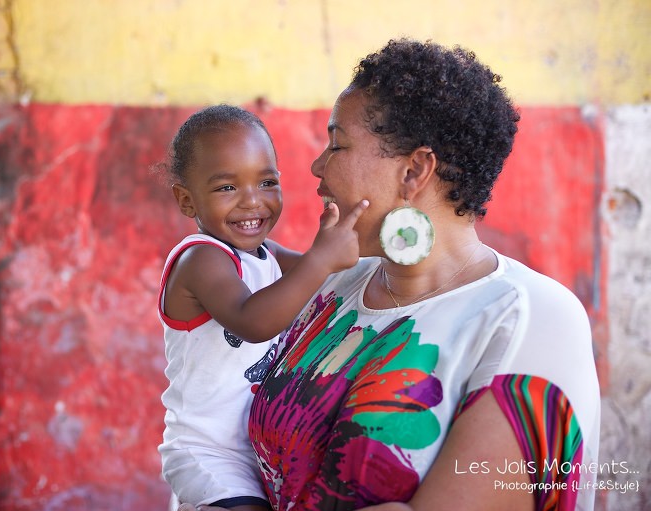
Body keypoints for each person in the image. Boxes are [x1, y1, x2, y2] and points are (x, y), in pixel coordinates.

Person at [180, 39, 601, 511]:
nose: (317, 166)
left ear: (413, 171)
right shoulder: (330, 288)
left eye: (337, 144)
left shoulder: (531, 317)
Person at [156, 104, 369, 510]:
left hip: (260, 451)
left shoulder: (264, 253)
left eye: (267, 182)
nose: (253, 202)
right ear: (186, 200)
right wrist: (321, 258)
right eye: (226, 188)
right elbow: (253, 321)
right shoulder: (201, 260)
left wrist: (345, 245)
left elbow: (324, 278)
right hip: (208, 451)